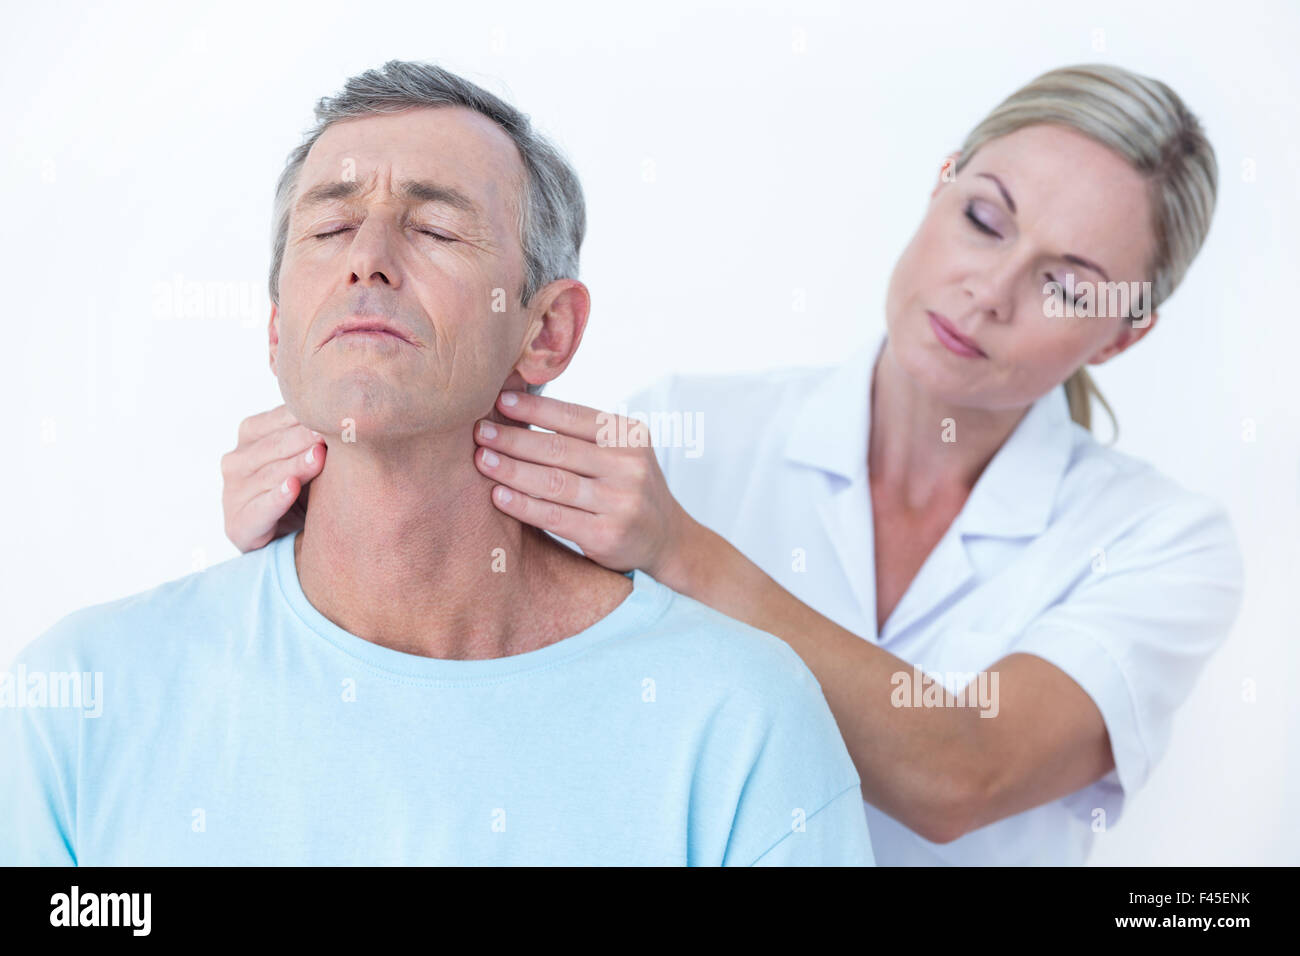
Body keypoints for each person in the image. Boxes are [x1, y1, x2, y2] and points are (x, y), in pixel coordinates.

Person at [223, 63, 1245, 865]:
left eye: (1067, 284)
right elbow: (458, 603)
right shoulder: (691, 425)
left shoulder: (1158, 543)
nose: (990, 288)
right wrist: (316, 490)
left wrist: (681, 548)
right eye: (983, 217)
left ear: (1122, 336)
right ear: (939, 187)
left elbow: (961, 770)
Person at [0, 61, 874, 867]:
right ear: (276, 330)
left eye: (436, 228)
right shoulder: (80, 695)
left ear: (547, 331)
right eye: (332, 226)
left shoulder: (739, 722)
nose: (367, 260)